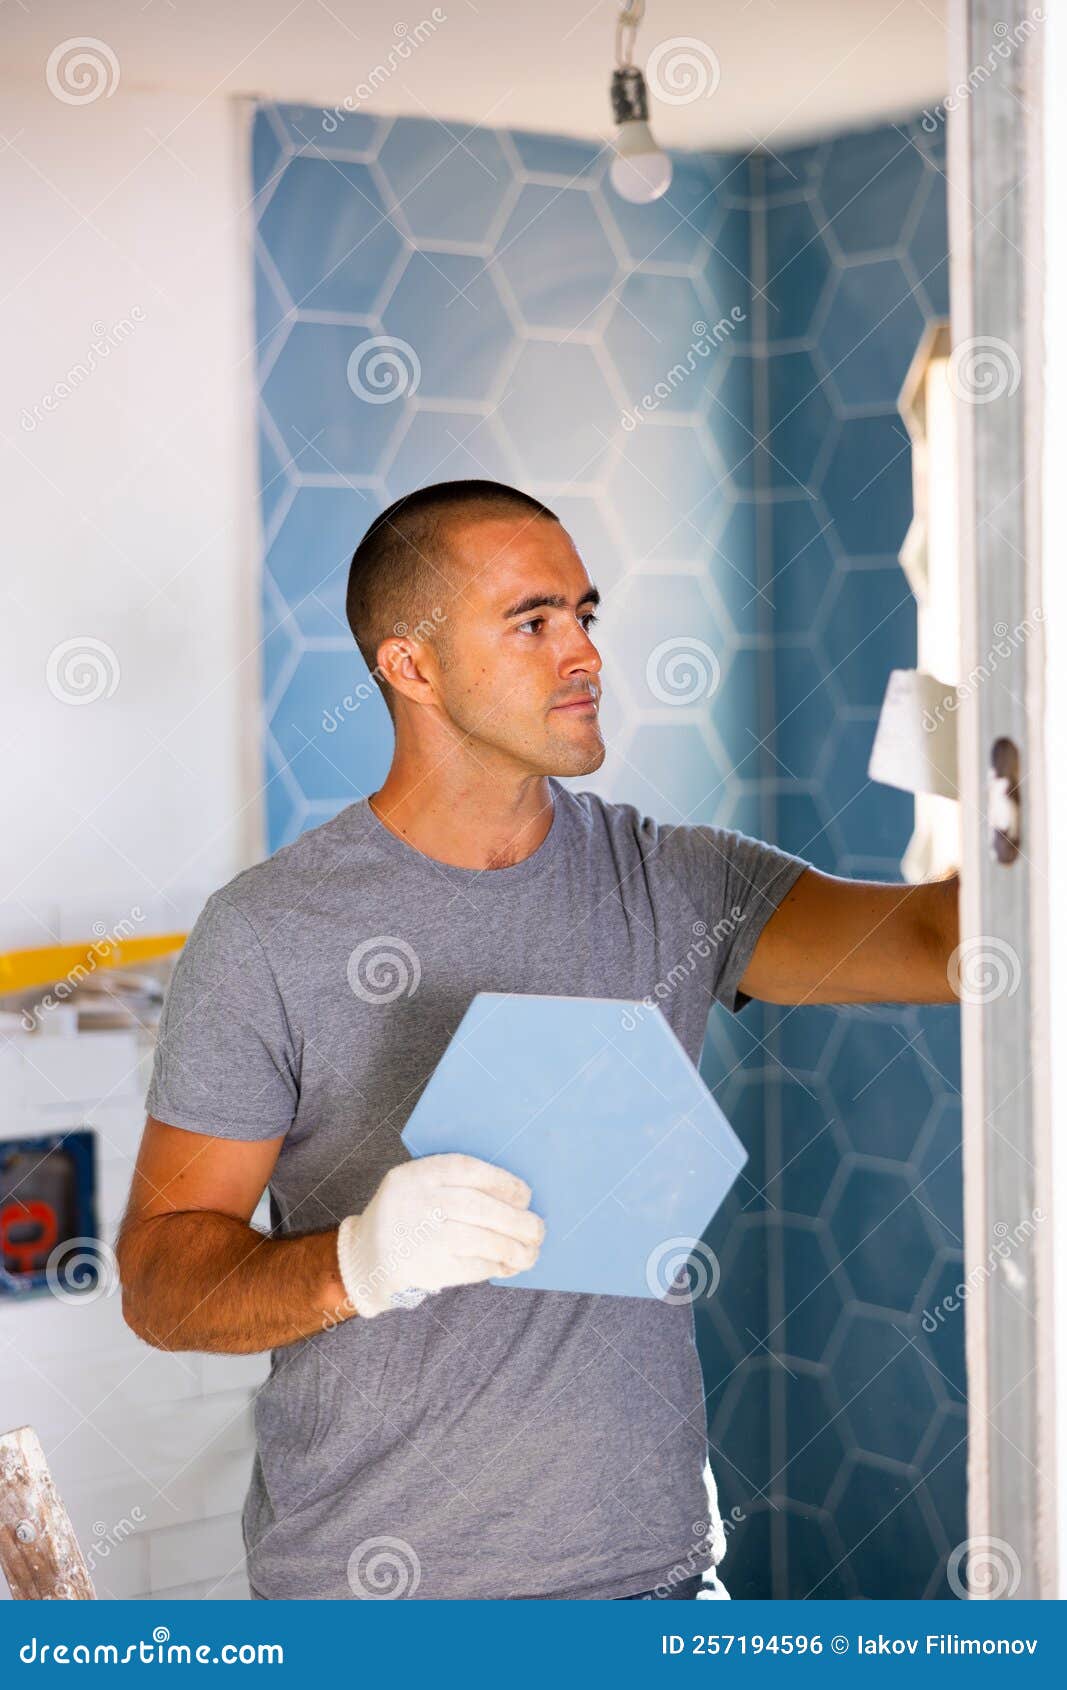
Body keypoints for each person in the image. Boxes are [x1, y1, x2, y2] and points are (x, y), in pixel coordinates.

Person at [117, 479, 960, 1601]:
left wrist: (999, 749)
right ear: (409, 666)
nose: (584, 655)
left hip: (653, 1589)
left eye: (585, 614)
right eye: (531, 621)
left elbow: (947, 946)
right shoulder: (270, 932)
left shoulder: (675, 884)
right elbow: (161, 1280)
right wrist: (357, 1262)